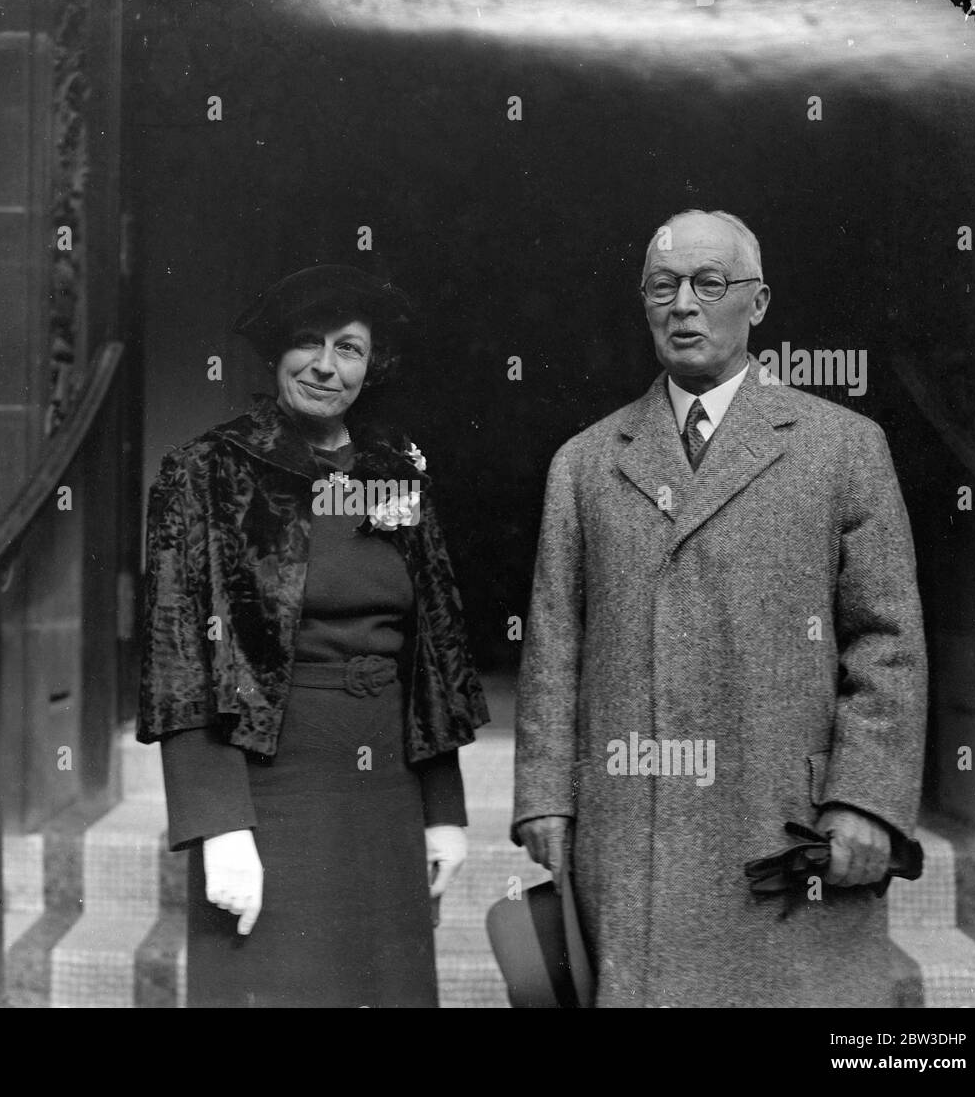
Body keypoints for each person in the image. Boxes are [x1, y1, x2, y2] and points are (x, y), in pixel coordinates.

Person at [513, 210, 927, 1007]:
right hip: (633, 828)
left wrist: (865, 797)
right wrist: (544, 794)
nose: (683, 305)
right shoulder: (587, 462)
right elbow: (554, 643)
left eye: (710, 283)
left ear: (759, 302)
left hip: (785, 827)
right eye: (662, 287)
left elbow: (888, 645)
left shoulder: (843, 447)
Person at [138, 264, 489, 1008]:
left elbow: (436, 649)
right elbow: (179, 654)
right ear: (274, 355)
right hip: (271, 784)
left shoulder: (399, 474)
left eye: (350, 348)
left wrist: (444, 812)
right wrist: (218, 825)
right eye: (307, 342)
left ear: (373, 366)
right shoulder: (205, 471)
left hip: (386, 787)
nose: (326, 365)